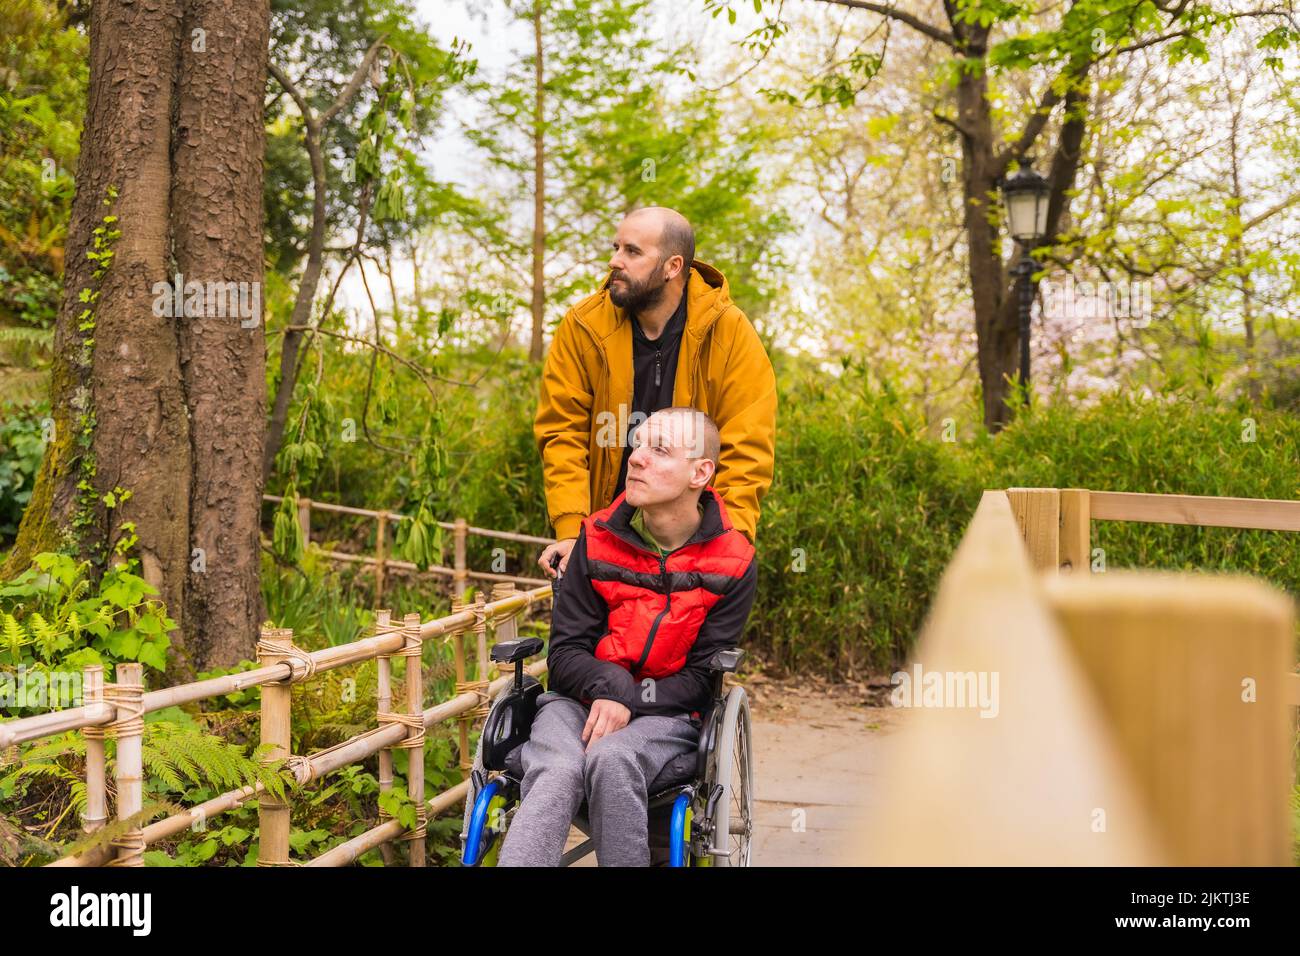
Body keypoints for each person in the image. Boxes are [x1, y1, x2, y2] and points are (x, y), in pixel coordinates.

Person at [497, 407, 758, 866]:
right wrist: (610, 690)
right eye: (638, 444)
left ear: (701, 472)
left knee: (613, 760)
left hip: (668, 716)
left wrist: (630, 700)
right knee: (558, 767)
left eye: (659, 450)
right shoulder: (595, 539)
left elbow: (701, 677)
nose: (636, 458)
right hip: (573, 703)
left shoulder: (733, 562)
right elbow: (566, 654)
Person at [533, 205, 776, 581]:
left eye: (632, 251)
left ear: (672, 266)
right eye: (616, 247)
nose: (615, 261)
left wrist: (728, 543)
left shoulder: (729, 333)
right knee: (582, 642)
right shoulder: (582, 326)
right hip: (601, 542)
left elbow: (747, 450)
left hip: (692, 547)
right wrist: (571, 531)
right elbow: (562, 434)